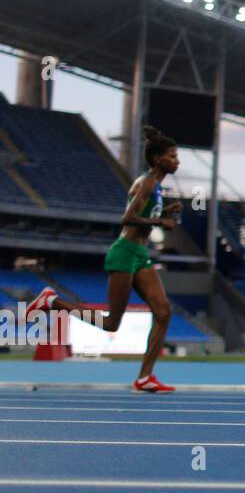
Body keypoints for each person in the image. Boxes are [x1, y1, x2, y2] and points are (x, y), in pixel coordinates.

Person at [26, 125, 183, 392]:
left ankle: (145, 377)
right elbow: (128, 218)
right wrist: (160, 219)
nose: (176, 161)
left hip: (140, 255)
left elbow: (141, 216)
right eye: (171, 156)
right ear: (157, 158)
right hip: (124, 253)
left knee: (163, 311)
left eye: (176, 157)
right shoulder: (146, 182)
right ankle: (52, 301)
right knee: (111, 322)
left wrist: (165, 210)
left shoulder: (155, 186)